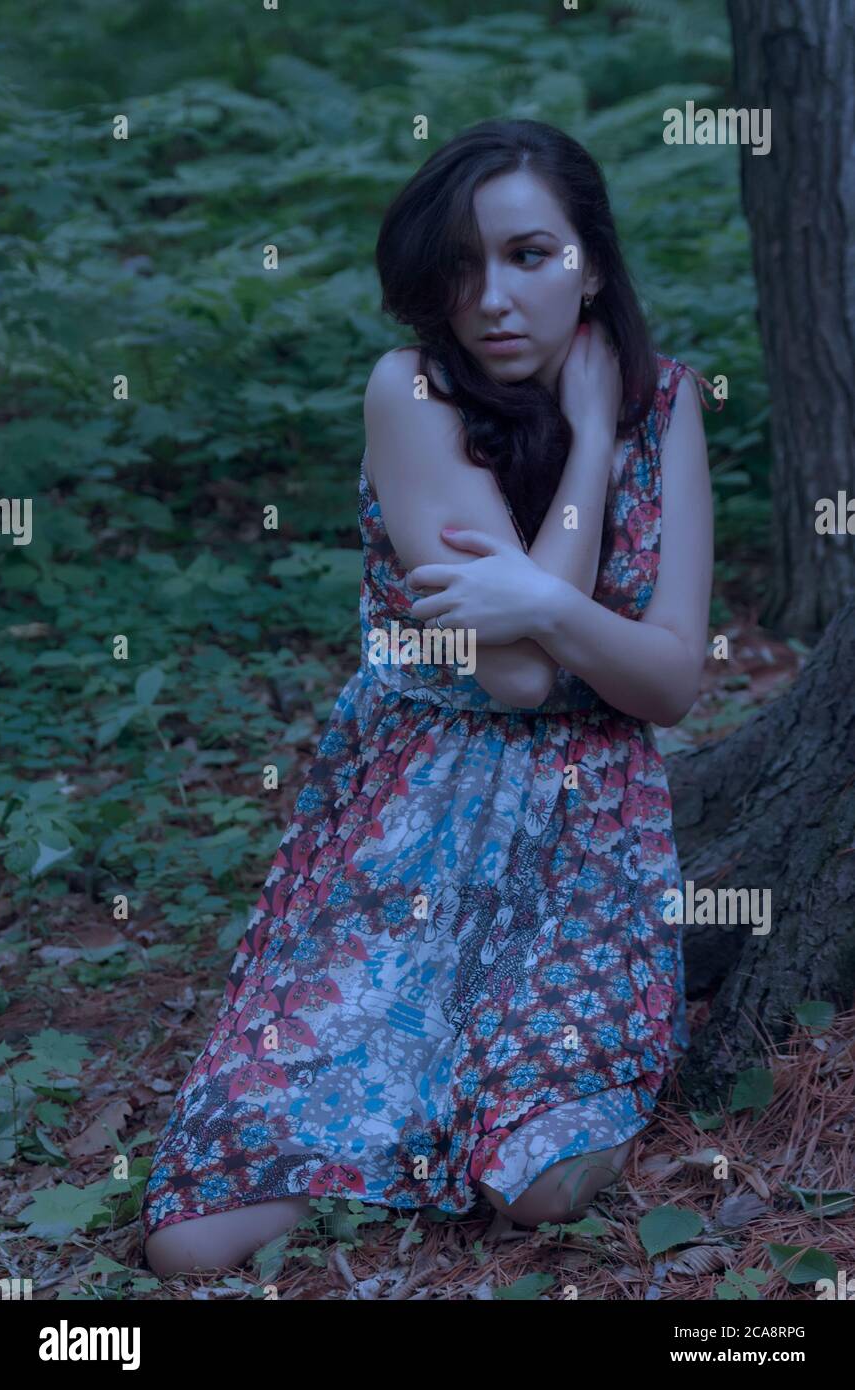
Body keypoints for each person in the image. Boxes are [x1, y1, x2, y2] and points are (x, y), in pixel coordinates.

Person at [141, 118, 715, 1278]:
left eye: (529, 256)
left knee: (539, 1183)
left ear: (590, 265)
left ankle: (449, 1124)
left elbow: (664, 682)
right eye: (462, 268)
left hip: (583, 843)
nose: (493, 298)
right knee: (192, 1244)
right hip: (408, 829)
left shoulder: (666, 403)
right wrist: (587, 473)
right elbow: (510, 679)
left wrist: (597, 439)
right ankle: (383, 1130)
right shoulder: (409, 389)